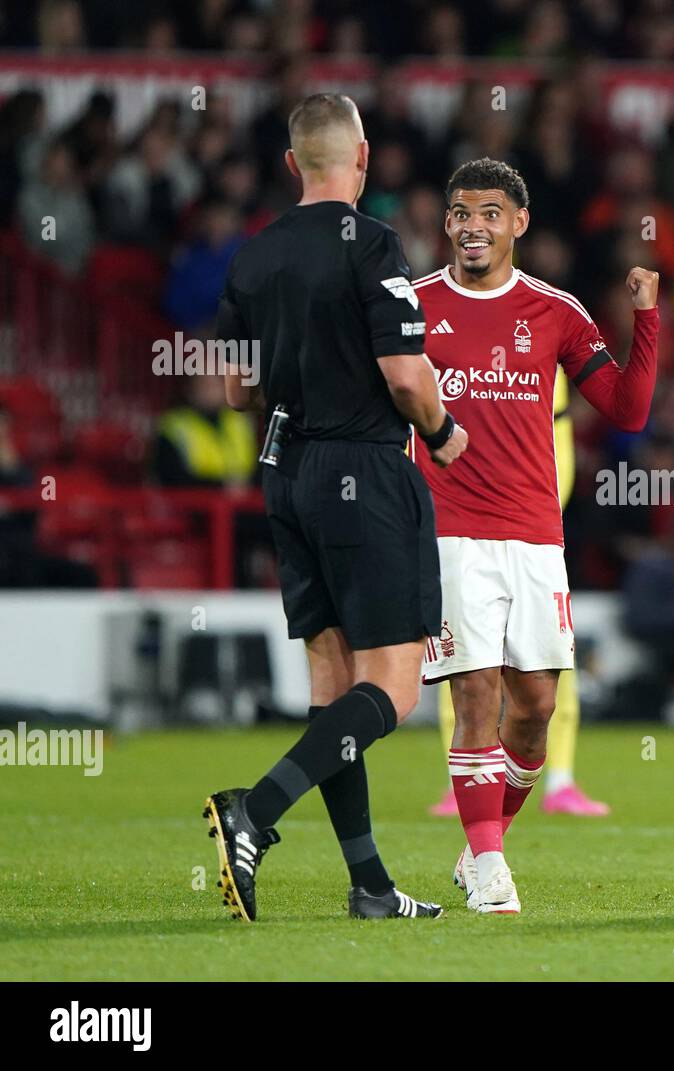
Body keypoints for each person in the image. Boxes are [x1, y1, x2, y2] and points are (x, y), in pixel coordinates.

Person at [202, 93, 468, 923]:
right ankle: (255, 810)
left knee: (334, 680)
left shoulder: (251, 256)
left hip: (287, 471)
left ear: (292, 165)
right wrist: (447, 429)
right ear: (359, 158)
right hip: (363, 467)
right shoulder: (373, 241)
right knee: (393, 689)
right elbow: (403, 374)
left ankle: (371, 886)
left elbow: (237, 388)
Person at [411, 157, 658, 913]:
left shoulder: (553, 310)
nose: (471, 225)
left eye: (488, 212)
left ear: (518, 223)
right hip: (450, 531)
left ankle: (480, 849)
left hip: (535, 536)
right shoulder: (413, 306)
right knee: (476, 692)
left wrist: (647, 321)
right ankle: (490, 867)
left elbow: (627, 410)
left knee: (536, 708)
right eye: (460, 212)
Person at [428, 367, 611, 819]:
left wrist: (545, 507)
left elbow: (558, 440)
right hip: (468, 525)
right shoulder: (449, 337)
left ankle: (561, 779)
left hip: (533, 527)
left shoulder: (546, 344)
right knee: (464, 658)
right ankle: (462, 780)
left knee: (549, 661)